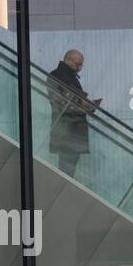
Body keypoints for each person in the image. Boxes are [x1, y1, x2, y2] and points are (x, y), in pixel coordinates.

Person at [46, 49, 100, 178]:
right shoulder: (61, 75)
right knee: (66, 172)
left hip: (67, 131)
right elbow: (65, 103)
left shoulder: (65, 75)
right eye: (77, 64)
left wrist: (86, 104)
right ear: (68, 60)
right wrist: (84, 104)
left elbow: (69, 101)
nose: (79, 68)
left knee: (67, 171)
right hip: (68, 132)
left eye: (81, 65)